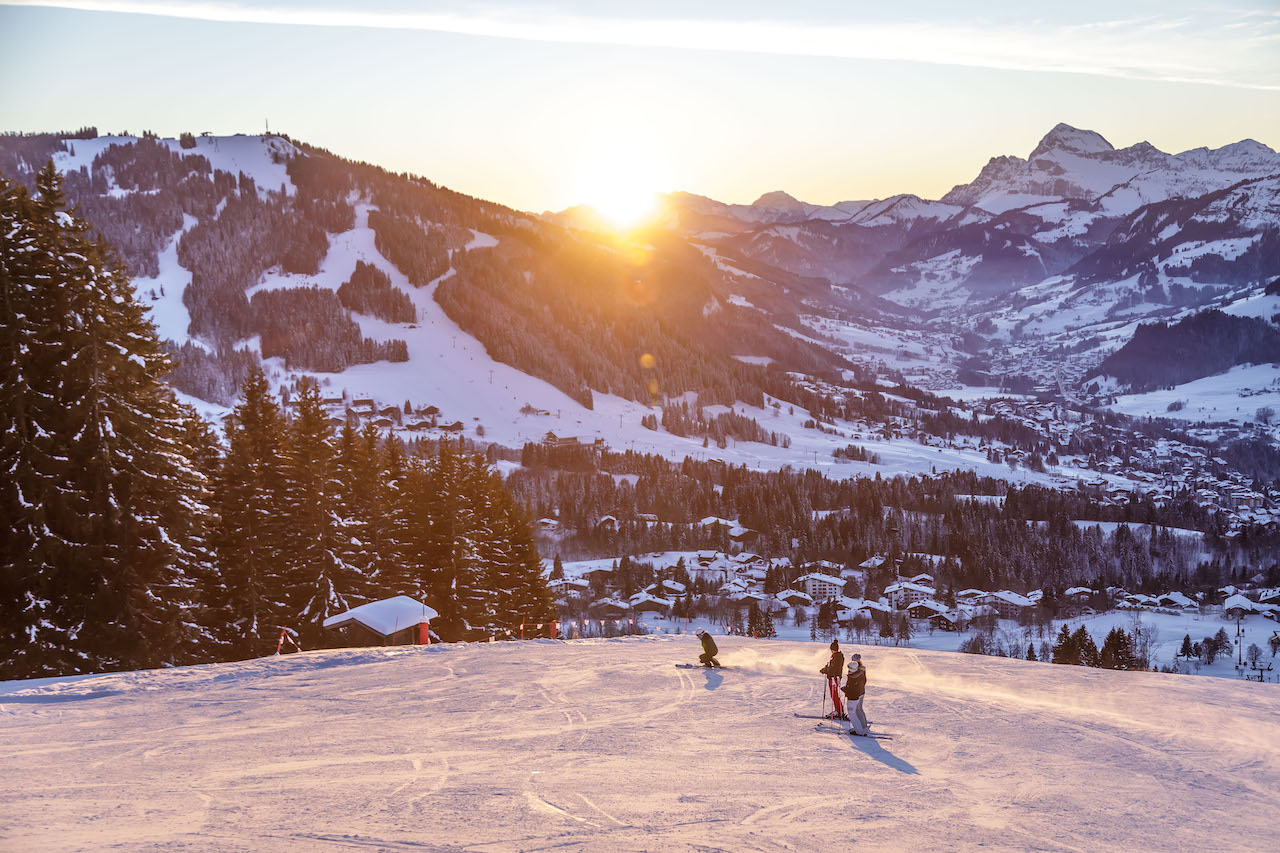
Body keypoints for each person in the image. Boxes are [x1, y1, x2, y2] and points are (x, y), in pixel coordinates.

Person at [820, 639, 847, 720]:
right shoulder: (836, 656)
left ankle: (840, 711)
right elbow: (830, 665)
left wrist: (826, 671)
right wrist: (825, 668)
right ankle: (838, 710)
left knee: (834, 695)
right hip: (833, 678)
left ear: (832, 649)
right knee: (834, 695)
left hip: (834, 678)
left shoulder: (837, 657)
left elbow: (833, 668)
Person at [843, 653, 869, 736]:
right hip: (861, 691)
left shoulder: (855, 670)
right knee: (859, 709)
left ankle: (860, 729)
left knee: (856, 710)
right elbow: (864, 680)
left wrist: (848, 688)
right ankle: (864, 727)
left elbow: (854, 683)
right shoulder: (861, 669)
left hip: (856, 692)